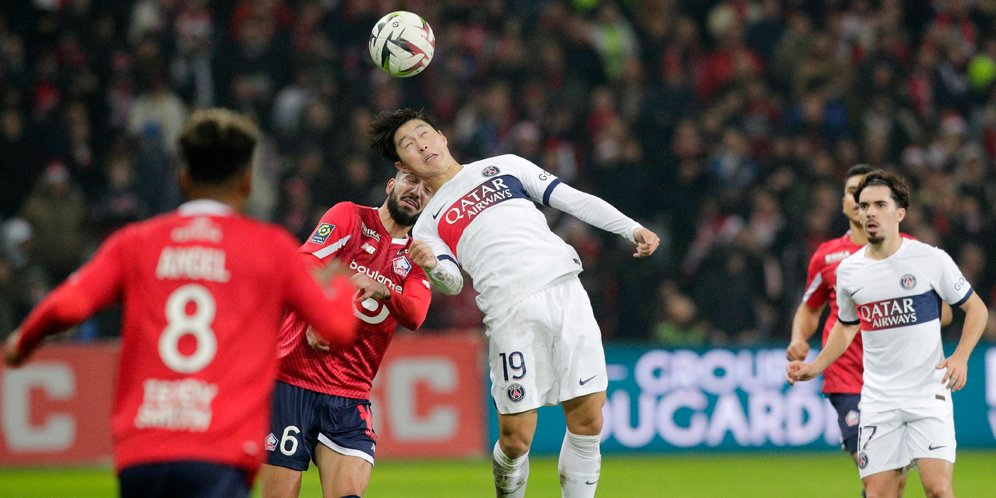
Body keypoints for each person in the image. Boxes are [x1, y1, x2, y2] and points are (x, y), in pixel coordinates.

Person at [3, 108, 359, 498]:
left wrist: (23, 340)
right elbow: (337, 329)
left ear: (183, 177)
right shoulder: (269, 247)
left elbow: (66, 307)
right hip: (218, 449)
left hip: (144, 450)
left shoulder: (135, 242)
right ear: (246, 180)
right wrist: (341, 284)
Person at [369, 108, 660, 498]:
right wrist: (433, 267)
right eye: (408, 144)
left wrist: (631, 228)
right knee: (516, 440)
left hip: (565, 290)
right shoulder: (426, 225)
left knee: (588, 421)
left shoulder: (505, 166)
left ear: (441, 136)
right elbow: (452, 283)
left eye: (424, 134)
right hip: (509, 312)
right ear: (403, 165)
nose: (421, 145)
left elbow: (572, 200)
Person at [787, 170, 988, 498]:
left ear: (900, 213)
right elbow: (846, 326)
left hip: (927, 394)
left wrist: (961, 356)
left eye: (880, 205)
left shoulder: (930, 258)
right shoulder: (850, 271)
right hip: (878, 400)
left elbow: (976, 309)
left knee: (938, 489)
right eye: (865, 205)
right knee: (879, 493)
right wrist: (815, 366)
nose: (870, 212)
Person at [258, 171, 433, 498]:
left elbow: (415, 315)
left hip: (349, 394)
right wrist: (318, 313)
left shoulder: (416, 257)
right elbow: (305, 262)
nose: (417, 191)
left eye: (427, 189)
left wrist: (384, 291)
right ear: (391, 184)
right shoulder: (350, 217)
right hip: (292, 381)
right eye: (411, 181)